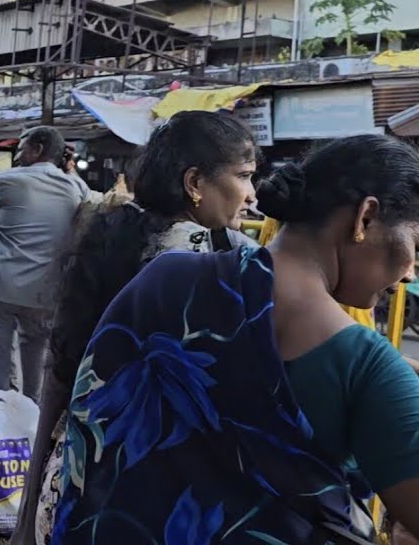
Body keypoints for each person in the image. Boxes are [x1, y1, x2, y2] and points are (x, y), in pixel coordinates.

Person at [52, 134, 419, 543]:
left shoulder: (165, 281)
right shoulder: (366, 368)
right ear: (365, 218)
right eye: (416, 245)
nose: (410, 274)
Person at [11, 111, 259, 545]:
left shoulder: (117, 230)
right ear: (195, 183)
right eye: (244, 176)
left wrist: (27, 518)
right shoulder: (204, 257)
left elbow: (60, 377)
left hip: (72, 486)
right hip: (147, 499)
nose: (252, 194)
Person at [0, 126, 89, 401]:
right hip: (47, 295)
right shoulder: (78, 187)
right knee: (37, 362)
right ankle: (32, 415)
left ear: (36, 149)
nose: (17, 155)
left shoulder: (3, 180)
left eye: (21, 148)